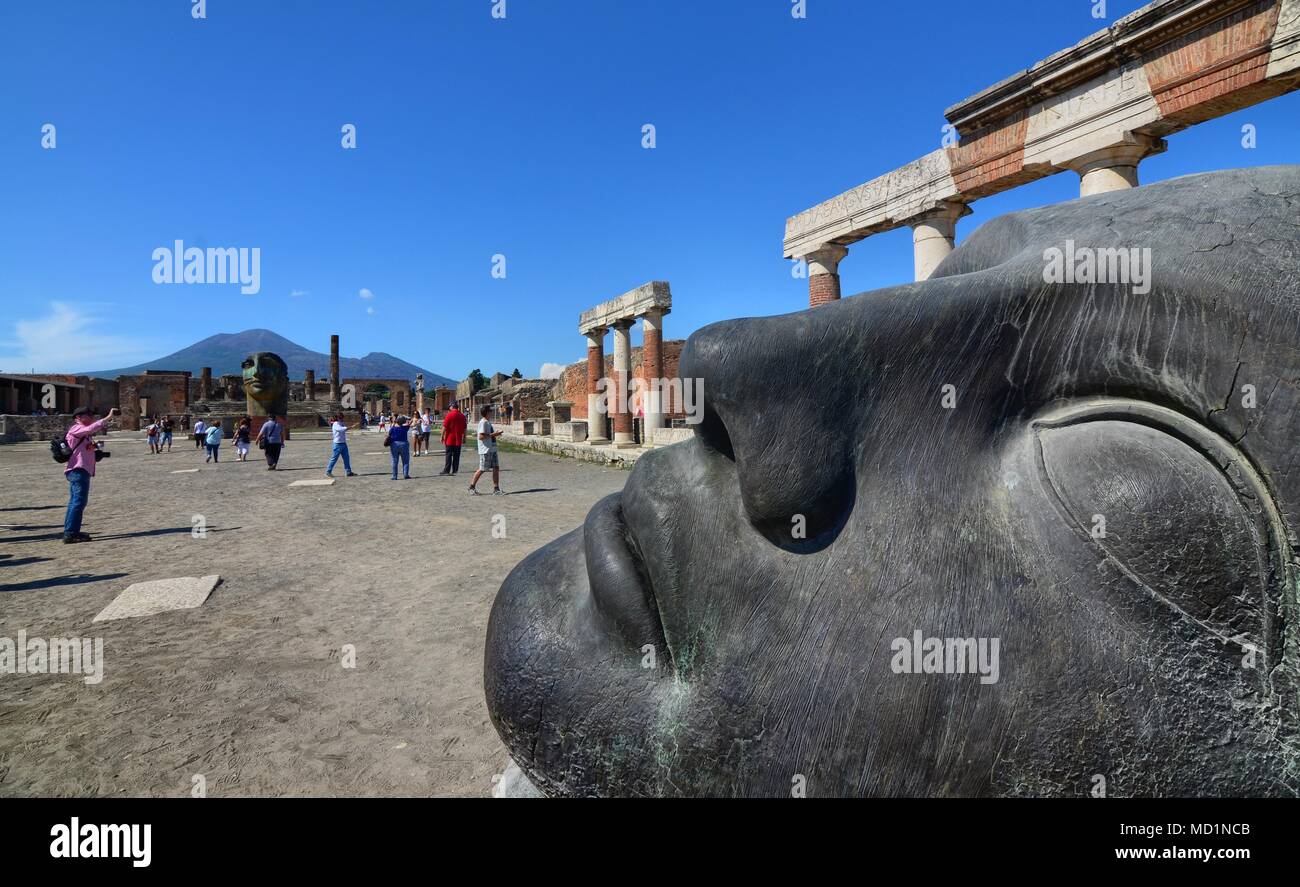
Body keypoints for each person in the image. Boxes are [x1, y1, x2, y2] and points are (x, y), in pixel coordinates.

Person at [62, 406, 119, 544]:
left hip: (82, 470)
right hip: (78, 470)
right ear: (78, 417)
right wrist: (108, 417)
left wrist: (95, 450)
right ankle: (71, 533)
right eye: (89, 415)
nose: (92, 417)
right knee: (78, 501)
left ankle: (71, 531)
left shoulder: (84, 434)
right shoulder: (76, 428)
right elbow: (90, 429)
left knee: (75, 501)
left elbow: (84, 448)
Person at [468, 404, 503, 495]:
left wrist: (495, 434)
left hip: (492, 449)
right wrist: (495, 434)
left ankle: (496, 488)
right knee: (482, 469)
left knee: (496, 468)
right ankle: (472, 487)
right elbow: (481, 436)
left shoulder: (487, 422)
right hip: (486, 450)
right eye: (490, 411)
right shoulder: (483, 422)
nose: (491, 412)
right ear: (487, 412)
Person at [326, 413, 357, 478]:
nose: (342, 419)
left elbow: (343, 428)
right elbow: (341, 429)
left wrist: (349, 426)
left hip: (343, 443)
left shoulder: (341, 423)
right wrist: (351, 427)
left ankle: (348, 472)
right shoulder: (335, 424)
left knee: (346, 458)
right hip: (337, 444)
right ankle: (328, 471)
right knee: (334, 458)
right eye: (341, 418)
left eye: (342, 418)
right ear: (338, 418)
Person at [440, 401, 467, 476]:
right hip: (458, 439)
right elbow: (465, 428)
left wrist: (442, 436)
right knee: (456, 455)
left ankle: (447, 470)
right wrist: (464, 437)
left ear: (451, 407)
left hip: (449, 439)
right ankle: (455, 469)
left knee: (448, 455)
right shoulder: (462, 416)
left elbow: (444, 427)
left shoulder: (449, 415)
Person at [388, 415, 411, 480]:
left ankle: (394, 476)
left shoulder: (393, 428)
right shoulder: (405, 428)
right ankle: (406, 474)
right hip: (404, 444)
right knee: (405, 460)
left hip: (394, 444)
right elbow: (409, 422)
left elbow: (389, 433)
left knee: (394, 460)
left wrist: (394, 422)